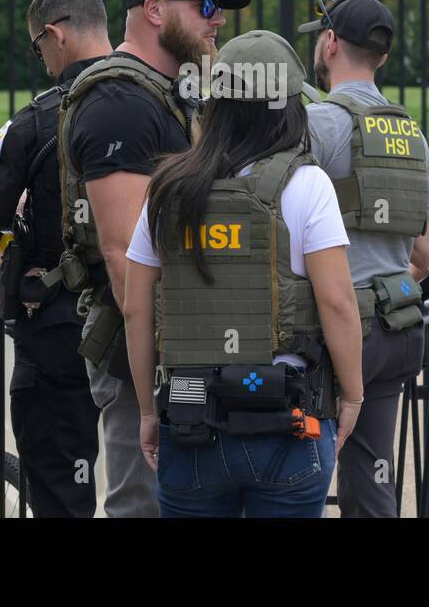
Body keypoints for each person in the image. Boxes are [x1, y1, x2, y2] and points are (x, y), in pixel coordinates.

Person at [122, 30, 365, 517]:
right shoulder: (308, 184)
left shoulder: (167, 188)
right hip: (286, 420)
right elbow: (338, 302)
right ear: (290, 108)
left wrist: (149, 412)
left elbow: (135, 308)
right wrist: (354, 396)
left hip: (189, 421)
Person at [48, 0, 250, 517]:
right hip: (148, 351)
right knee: (144, 507)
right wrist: (157, 367)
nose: (219, 19)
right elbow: (122, 253)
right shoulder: (120, 102)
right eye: (206, 5)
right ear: (155, 10)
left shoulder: (170, 93)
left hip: (181, 345)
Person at [0, 0, 111, 517]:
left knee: (59, 492)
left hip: (57, 330)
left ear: (56, 36)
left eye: (38, 47)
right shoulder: (161, 101)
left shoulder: (33, 121)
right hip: (151, 323)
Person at [296, 0, 429, 517]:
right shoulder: (410, 131)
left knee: (297, 478)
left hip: (338, 330)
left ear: (330, 43)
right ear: (381, 56)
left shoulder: (322, 124)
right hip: (397, 324)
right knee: (373, 485)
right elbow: (426, 250)